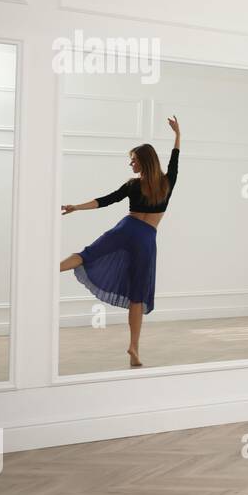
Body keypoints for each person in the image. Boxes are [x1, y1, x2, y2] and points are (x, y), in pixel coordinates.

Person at [60, 116, 182, 368]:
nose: (131, 164)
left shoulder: (133, 185)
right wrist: (178, 135)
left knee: (86, 255)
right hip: (147, 239)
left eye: (134, 160)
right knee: (137, 296)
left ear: (144, 162)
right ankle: (134, 348)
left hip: (126, 229)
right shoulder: (167, 183)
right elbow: (175, 160)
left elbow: (105, 200)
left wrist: (76, 207)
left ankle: (46, 269)